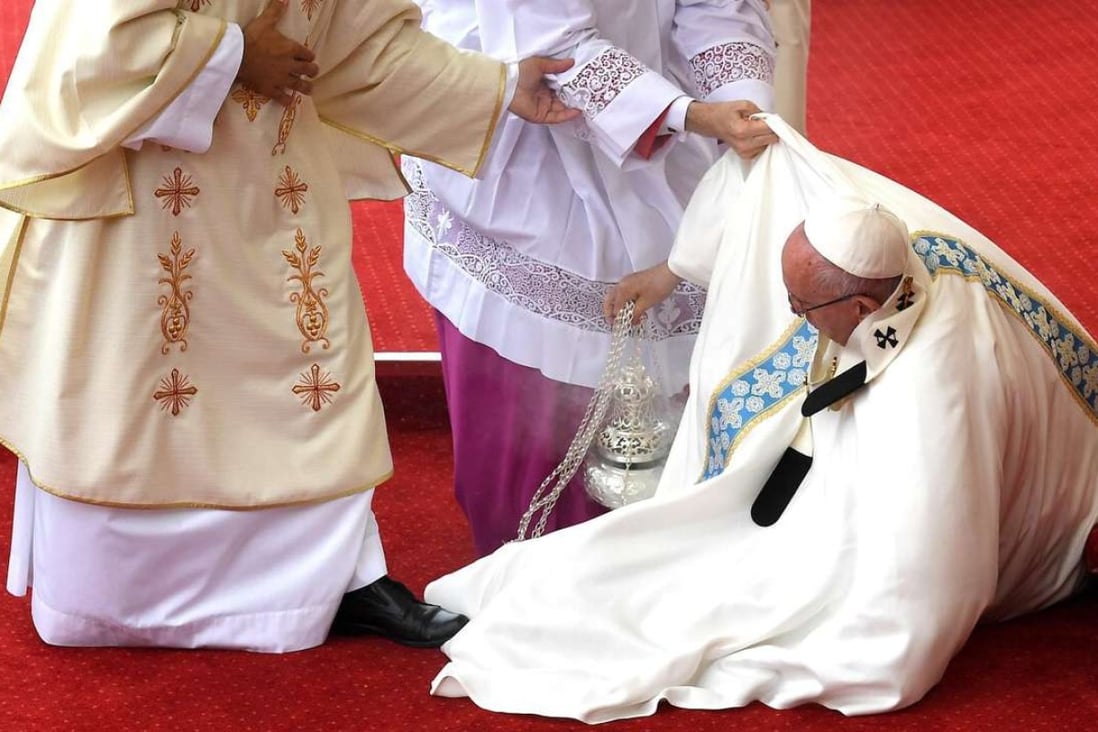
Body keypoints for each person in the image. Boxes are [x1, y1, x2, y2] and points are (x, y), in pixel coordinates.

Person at [421, 116, 1098, 722]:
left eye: (801, 310)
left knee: (764, 583)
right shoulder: (865, 230)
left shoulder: (933, 391)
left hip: (1047, 524)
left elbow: (928, 577)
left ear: (860, 311)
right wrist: (673, 270)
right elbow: (764, 172)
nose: (792, 318)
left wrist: (854, 630)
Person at [0, 0, 577, 652]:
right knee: (136, 394)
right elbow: (102, 48)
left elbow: (359, 47)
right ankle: (116, 600)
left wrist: (496, 88)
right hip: (144, 192)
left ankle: (340, 579)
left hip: (274, 182)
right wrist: (237, 53)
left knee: (312, 376)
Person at [403, 0, 779, 556]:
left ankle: (656, 566)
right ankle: (529, 570)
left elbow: (716, 7)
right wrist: (691, 116)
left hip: (663, 107)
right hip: (531, 122)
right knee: (532, 409)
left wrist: (741, 109)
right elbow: (551, 48)